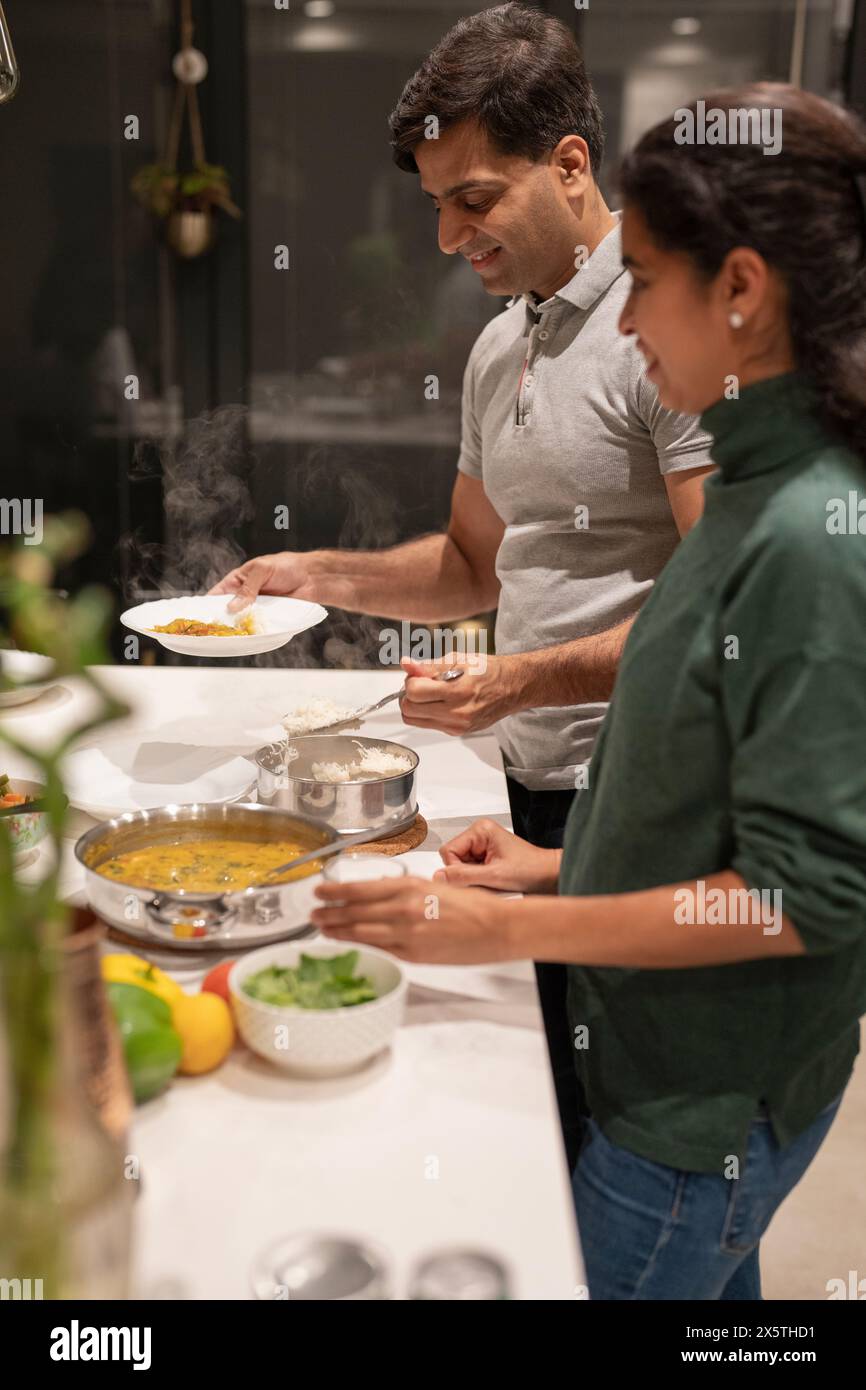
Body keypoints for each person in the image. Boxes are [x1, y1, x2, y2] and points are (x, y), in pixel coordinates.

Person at [308, 83, 866, 1300]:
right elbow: (708, 798)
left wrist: (512, 931)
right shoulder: (755, 486)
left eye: (648, 278)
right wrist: (555, 869)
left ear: (740, 290)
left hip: (696, 1098)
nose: (622, 324)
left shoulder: (808, 534)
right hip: (661, 1060)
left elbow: (800, 893)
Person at [211, 5, 714, 1170]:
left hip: (645, 799)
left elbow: (717, 605)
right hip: (528, 796)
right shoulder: (504, 344)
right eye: (434, 202)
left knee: (646, 1147)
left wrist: (519, 676)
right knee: (552, 1115)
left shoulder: (670, 326)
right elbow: (472, 565)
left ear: (570, 164)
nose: (445, 235)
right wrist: (315, 574)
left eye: (473, 198)